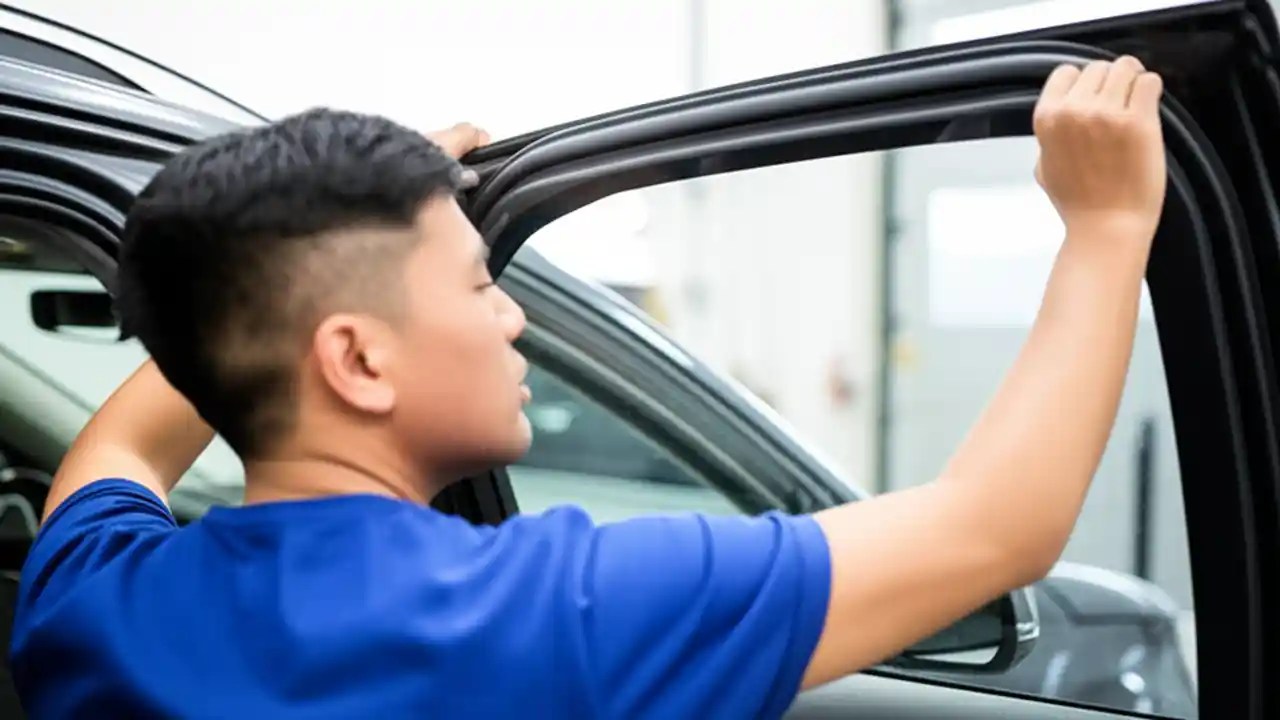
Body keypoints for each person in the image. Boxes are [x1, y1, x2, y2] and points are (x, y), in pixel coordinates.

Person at [10, 56, 1165, 719]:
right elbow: (997, 528)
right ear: (356, 360)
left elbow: (110, 455)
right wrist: (1106, 227)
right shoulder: (561, 608)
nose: (513, 313)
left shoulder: (94, 598)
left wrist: (276, 267)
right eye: (476, 283)